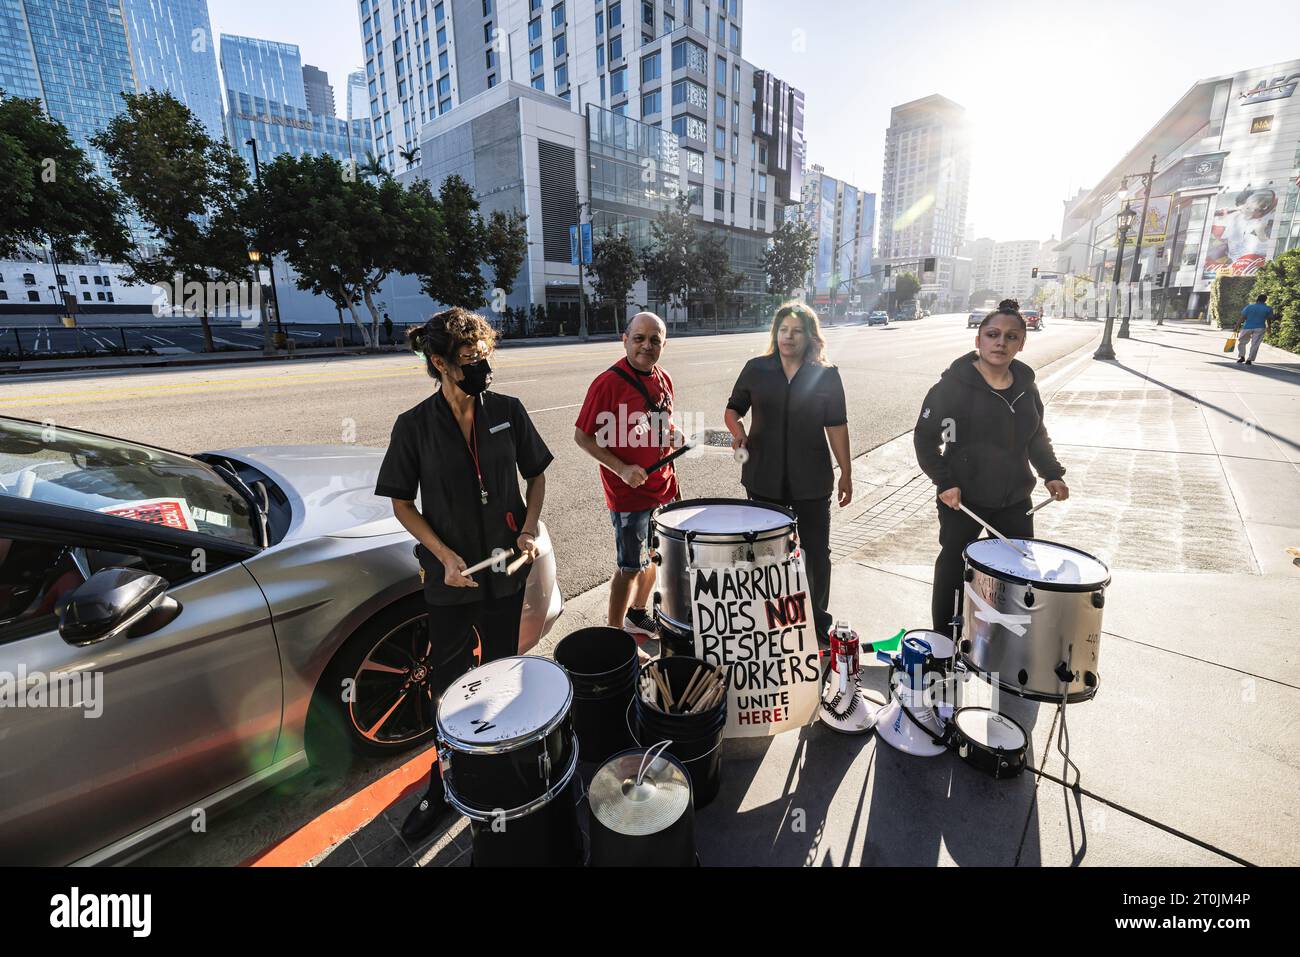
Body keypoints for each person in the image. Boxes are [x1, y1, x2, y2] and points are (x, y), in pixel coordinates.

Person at [375, 307, 553, 843]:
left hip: (504, 572)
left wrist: (528, 528)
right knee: (449, 686)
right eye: (469, 361)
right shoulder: (414, 426)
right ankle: (443, 778)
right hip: (450, 579)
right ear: (439, 363)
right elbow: (402, 503)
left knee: (503, 673)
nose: (481, 369)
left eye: (484, 358)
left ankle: (503, 767)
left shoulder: (507, 410)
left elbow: (537, 474)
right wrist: (444, 555)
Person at [914, 299, 1069, 637]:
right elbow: (926, 440)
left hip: (1014, 500)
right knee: (954, 568)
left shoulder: (1027, 389)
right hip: (963, 501)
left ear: (1021, 344)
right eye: (993, 334)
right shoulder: (950, 389)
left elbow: (1036, 437)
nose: (1001, 342)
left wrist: (1052, 473)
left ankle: (1006, 641)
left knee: (1015, 572)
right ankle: (945, 637)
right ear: (978, 340)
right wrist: (945, 482)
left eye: (1011, 337)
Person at [724, 302, 852, 645]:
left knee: (815, 551)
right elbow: (733, 408)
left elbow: (837, 426)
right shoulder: (756, 369)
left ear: (809, 335)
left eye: (796, 330)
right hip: (763, 477)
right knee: (766, 553)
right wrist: (737, 430)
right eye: (783, 330)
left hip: (811, 479)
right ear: (775, 333)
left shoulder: (826, 374)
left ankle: (817, 619)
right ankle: (768, 616)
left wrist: (846, 473)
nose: (788, 337)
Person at [574, 312, 683, 644]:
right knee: (629, 567)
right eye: (639, 338)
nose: (646, 346)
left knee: (655, 557)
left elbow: (661, 421)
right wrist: (621, 468)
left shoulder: (663, 378)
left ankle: (637, 614)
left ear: (663, 344)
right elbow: (583, 437)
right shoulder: (607, 383)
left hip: (662, 487)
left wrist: (674, 435)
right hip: (629, 495)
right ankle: (613, 634)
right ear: (625, 339)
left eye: (654, 340)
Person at [1235, 294, 1275, 365]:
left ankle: (1242, 356)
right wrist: (1269, 328)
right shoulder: (1268, 308)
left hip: (1247, 327)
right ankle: (1249, 359)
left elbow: (1242, 317)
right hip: (1260, 328)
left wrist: (1237, 326)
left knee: (1242, 342)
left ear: (1257, 299)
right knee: (1255, 344)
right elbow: (1269, 319)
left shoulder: (1249, 307)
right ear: (1265, 300)